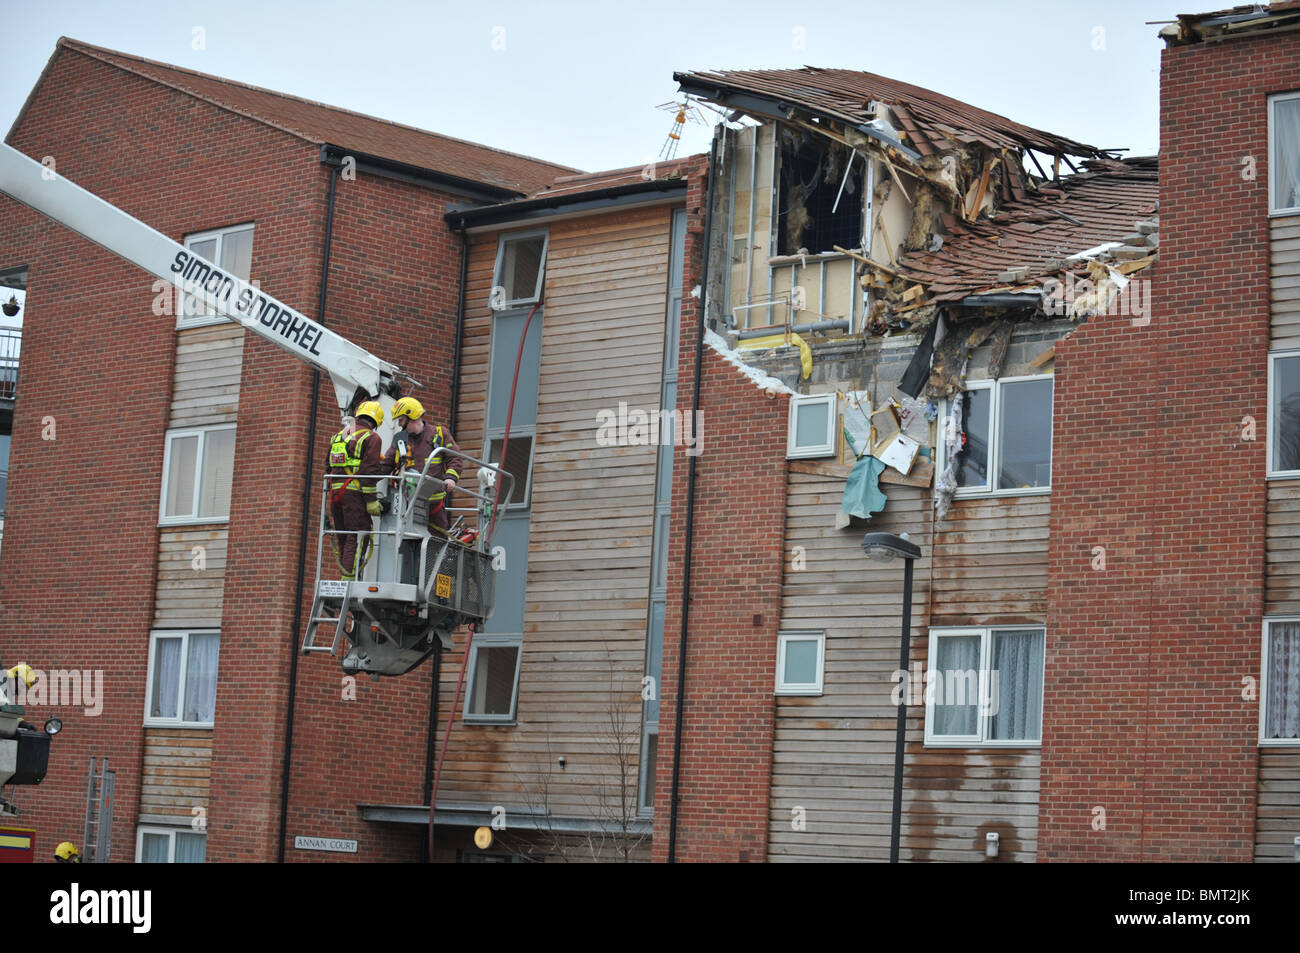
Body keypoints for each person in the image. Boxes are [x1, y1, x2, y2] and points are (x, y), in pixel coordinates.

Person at [327, 401, 385, 581]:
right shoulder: (372, 438)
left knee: (343, 536)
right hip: (354, 495)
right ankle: (349, 578)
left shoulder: (338, 436)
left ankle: (346, 575)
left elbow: (327, 466)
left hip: (335, 493)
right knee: (357, 534)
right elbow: (369, 472)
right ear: (376, 420)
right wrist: (371, 500)